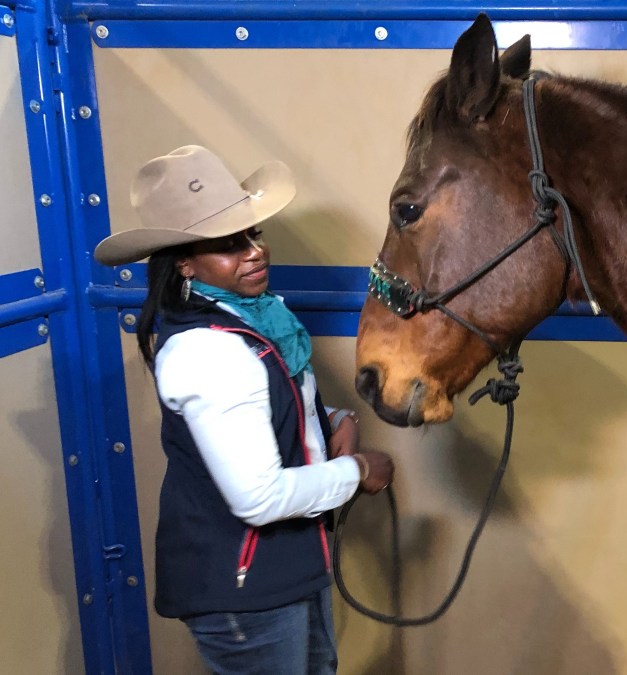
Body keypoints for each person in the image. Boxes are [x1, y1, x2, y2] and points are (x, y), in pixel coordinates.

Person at [94, 145, 394, 674]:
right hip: (245, 588)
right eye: (228, 245)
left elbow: (269, 409)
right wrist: (358, 470)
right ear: (184, 263)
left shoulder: (254, 319)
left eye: (252, 234)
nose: (254, 252)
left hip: (282, 568)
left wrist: (334, 421)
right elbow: (260, 497)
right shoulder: (209, 351)